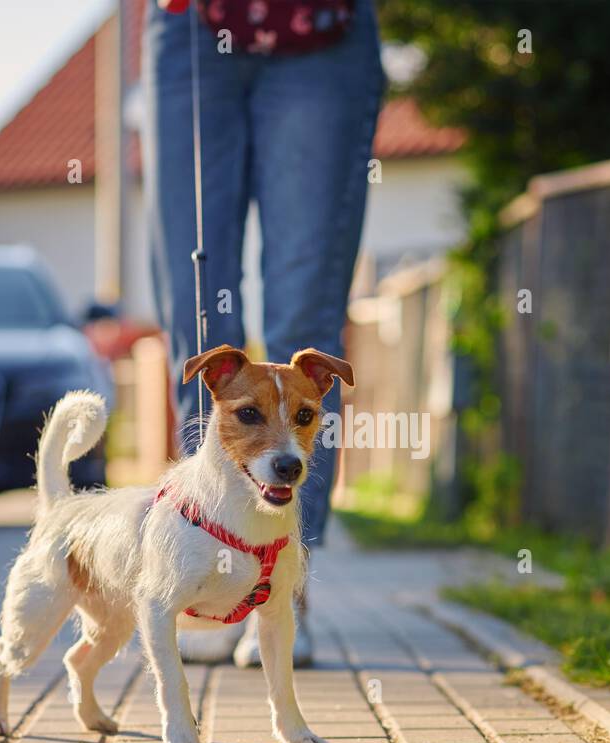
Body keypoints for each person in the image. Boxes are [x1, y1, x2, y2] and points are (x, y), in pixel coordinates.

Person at [142, 0, 386, 666]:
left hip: (321, 29)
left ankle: (280, 592)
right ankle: (211, 575)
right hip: (190, 23)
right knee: (198, 315)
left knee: (303, 318)